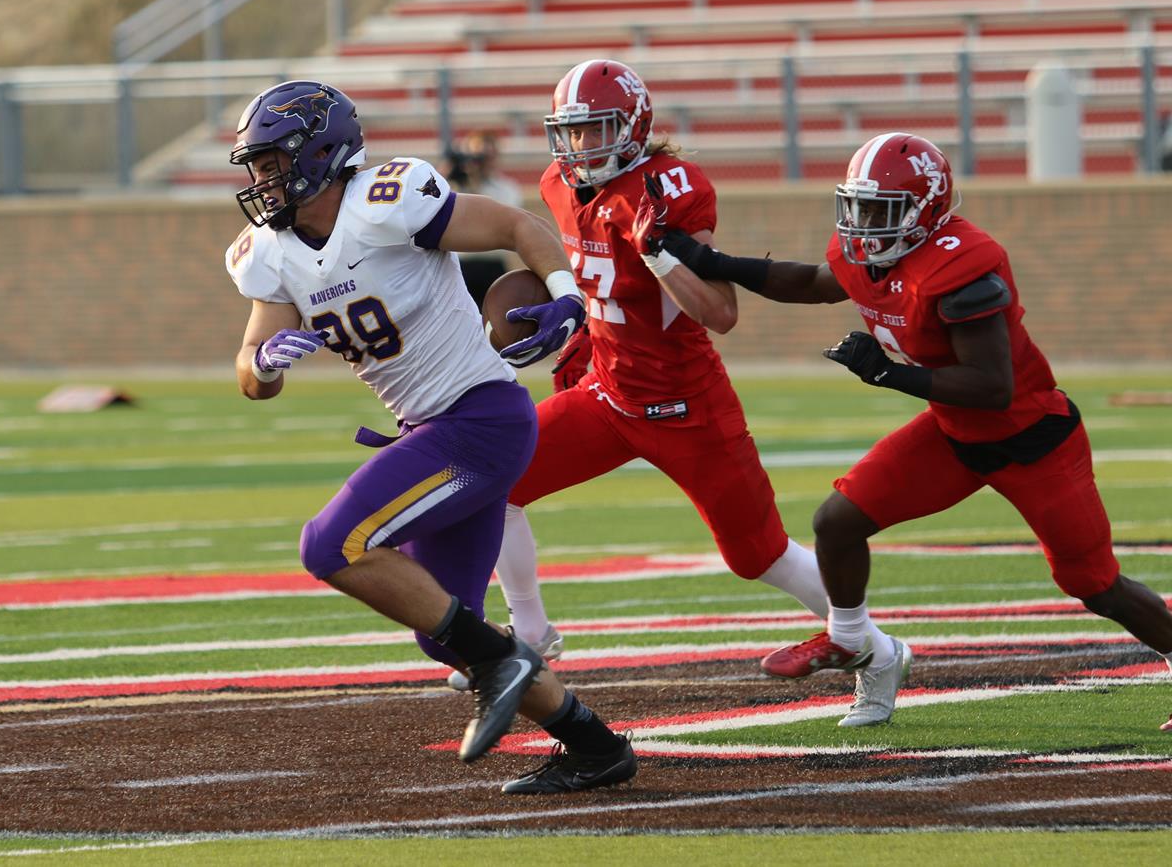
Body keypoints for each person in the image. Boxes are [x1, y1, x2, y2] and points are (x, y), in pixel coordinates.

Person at [653, 131, 1172, 730]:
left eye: (881, 210)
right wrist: (711, 263)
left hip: (1031, 440)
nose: (864, 222)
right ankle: (851, 639)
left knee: (1094, 583)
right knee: (837, 521)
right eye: (859, 205)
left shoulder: (963, 266)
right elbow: (813, 283)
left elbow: (991, 386)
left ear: (925, 209)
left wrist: (891, 375)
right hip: (955, 434)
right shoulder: (873, 253)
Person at [226, 79, 640, 793]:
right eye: (254, 167)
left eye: (271, 162)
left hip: (479, 417)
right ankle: (595, 744)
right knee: (441, 623)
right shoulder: (272, 250)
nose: (261, 180)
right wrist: (261, 363)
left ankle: (505, 663)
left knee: (330, 544)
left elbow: (514, 226)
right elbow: (251, 370)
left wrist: (570, 295)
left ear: (319, 152)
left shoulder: (385, 203)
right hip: (433, 429)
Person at [452, 59, 845, 714]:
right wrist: (573, 327)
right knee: (494, 484)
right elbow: (587, 277)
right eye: (570, 133)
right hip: (610, 393)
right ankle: (530, 635)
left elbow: (720, 312)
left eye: (595, 131)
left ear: (632, 127)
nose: (580, 149)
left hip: (687, 404)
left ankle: (869, 640)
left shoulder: (671, 190)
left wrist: (659, 251)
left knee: (761, 555)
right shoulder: (559, 185)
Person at [444, 132, 524, 309]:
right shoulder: (452, 185)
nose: (480, 161)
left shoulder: (507, 188)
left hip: (493, 265)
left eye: (485, 155)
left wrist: (478, 183)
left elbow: (499, 223)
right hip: (460, 267)